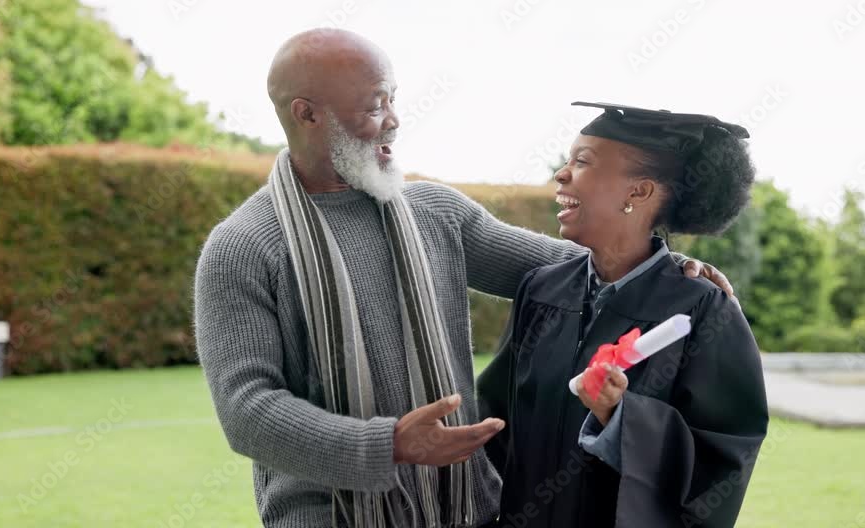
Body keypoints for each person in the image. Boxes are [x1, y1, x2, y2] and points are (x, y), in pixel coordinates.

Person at [193, 29, 736, 528]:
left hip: (467, 511)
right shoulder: (243, 246)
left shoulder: (437, 212)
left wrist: (667, 270)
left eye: (393, 99)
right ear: (307, 113)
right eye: (374, 105)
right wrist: (390, 444)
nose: (394, 119)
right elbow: (247, 410)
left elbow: (573, 270)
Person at [477, 102, 769, 528]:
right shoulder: (542, 291)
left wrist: (620, 416)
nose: (561, 174)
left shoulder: (700, 309)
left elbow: (724, 457)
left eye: (582, 161)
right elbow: (493, 421)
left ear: (639, 192)